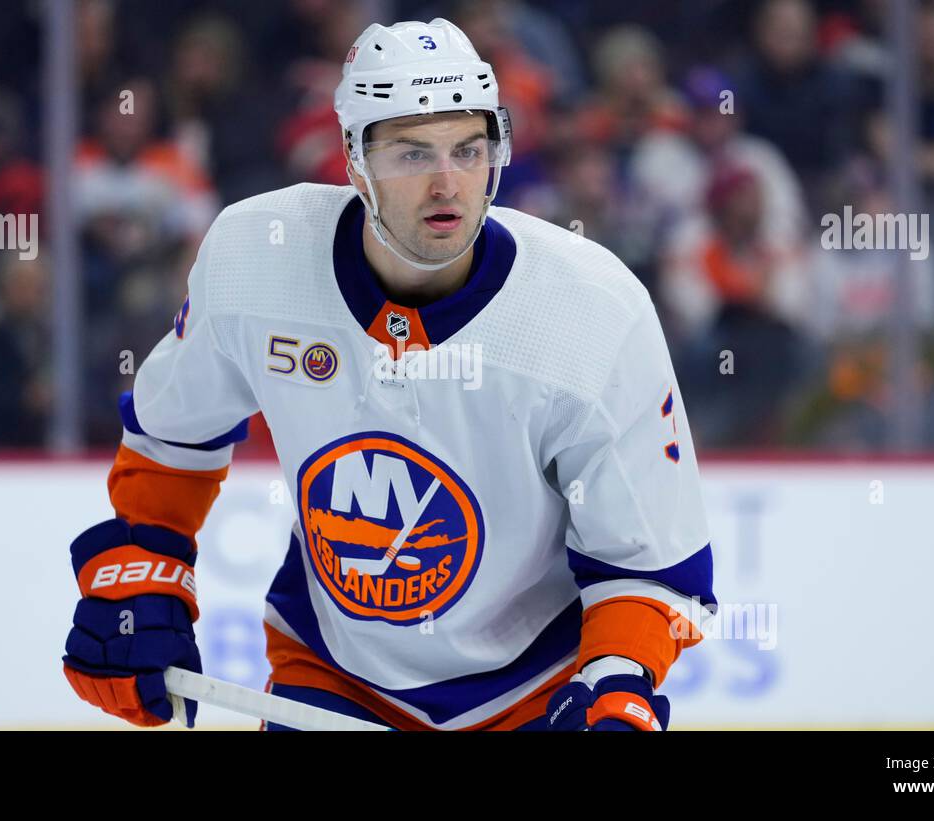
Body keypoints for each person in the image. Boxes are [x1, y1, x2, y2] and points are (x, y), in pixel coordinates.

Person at [61, 18, 716, 732]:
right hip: (335, 679)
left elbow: (646, 563)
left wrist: (617, 683)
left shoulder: (590, 309)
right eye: (412, 153)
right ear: (354, 159)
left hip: (536, 690)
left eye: (469, 149)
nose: (448, 183)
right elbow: (172, 434)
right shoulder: (258, 259)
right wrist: (143, 558)